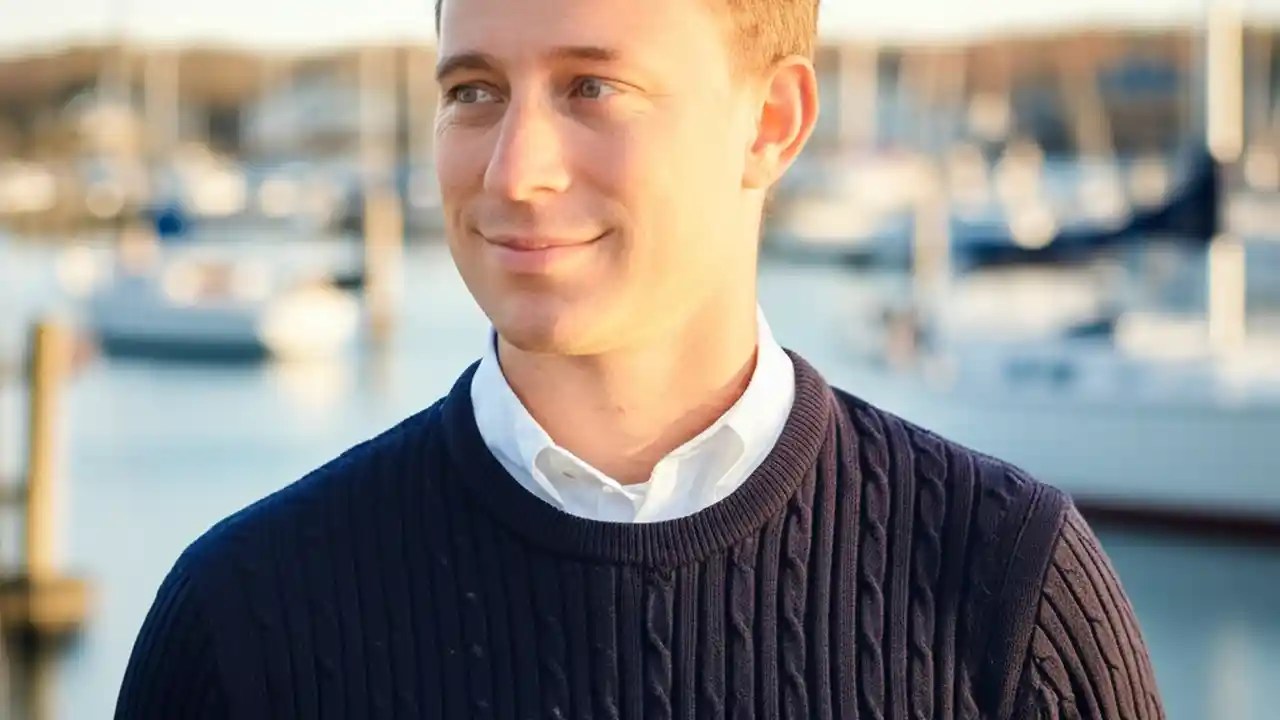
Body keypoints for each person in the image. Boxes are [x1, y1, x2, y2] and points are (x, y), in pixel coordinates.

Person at [115, 0, 1164, 717]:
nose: (514, 170)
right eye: (474, 90)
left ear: (770, 121)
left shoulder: (1004, 587)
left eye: (591, 88)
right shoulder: (245, 615)